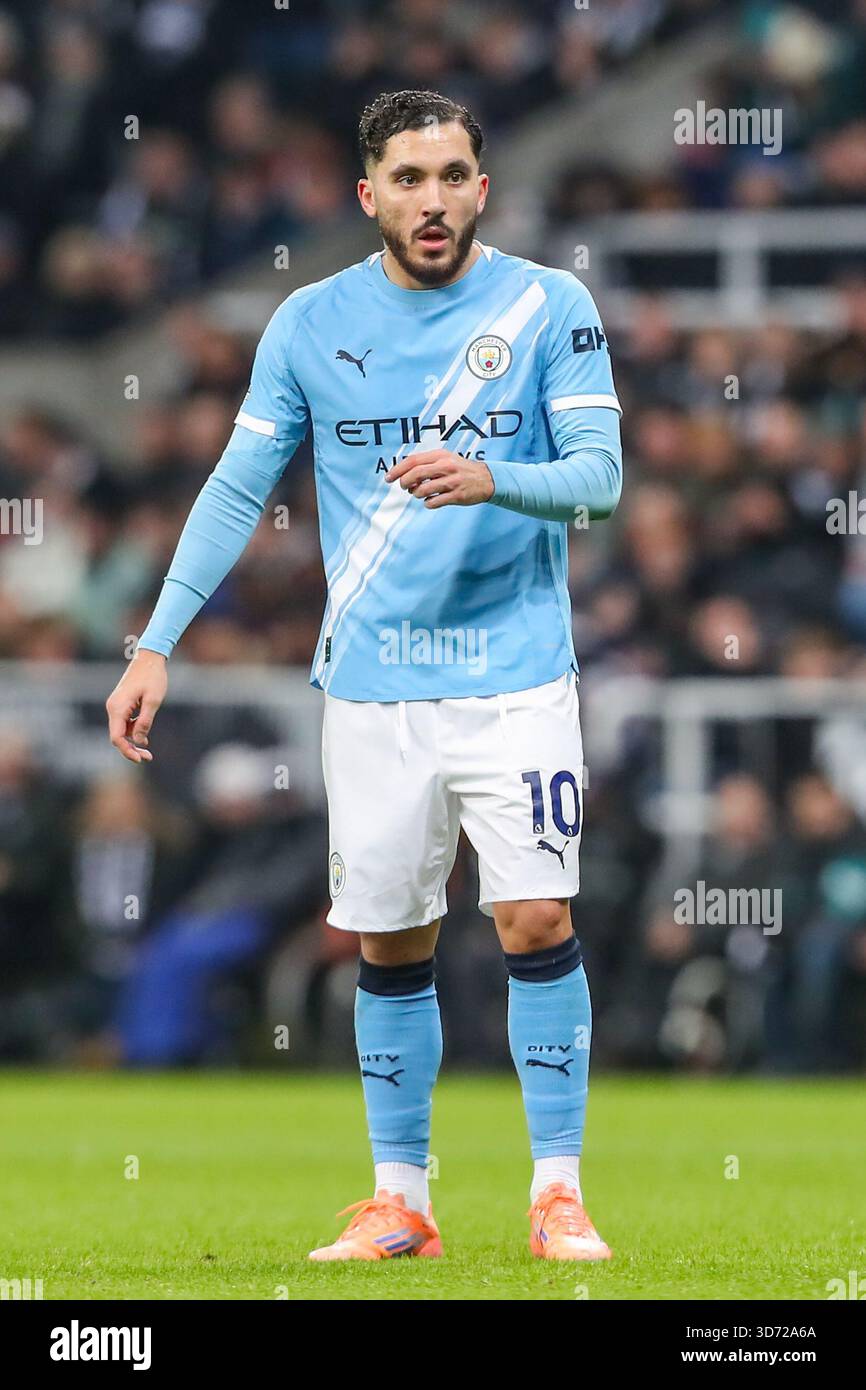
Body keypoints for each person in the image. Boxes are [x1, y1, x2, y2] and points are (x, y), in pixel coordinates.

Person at [105, 88, 623, 1262]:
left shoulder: (550, 304)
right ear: (367, 196)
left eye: (451, 177)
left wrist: (498, 479)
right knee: (389, 938)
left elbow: (598, 477)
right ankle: (402, 1201)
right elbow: (237, 487)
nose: (431, 201)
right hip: (372, 685)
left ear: (481, 188)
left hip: (513, 674)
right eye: (407, 179)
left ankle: (557, 1192)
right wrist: (156, 642)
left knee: (534, 912)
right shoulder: (306, 322)